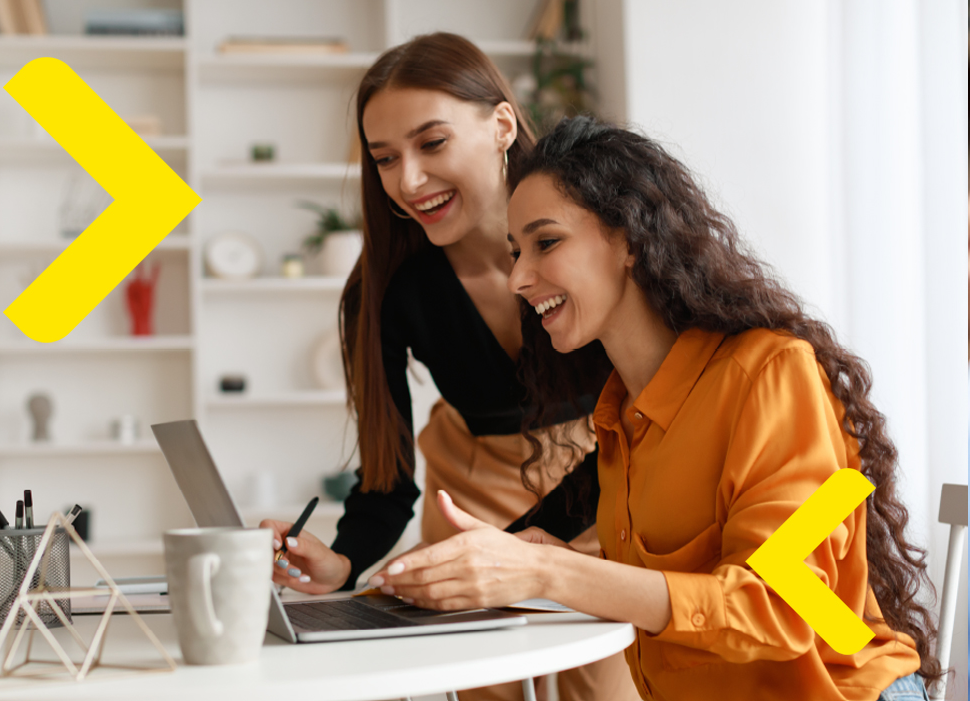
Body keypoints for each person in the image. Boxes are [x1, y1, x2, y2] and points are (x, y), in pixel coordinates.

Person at [375, 116, 942, 701]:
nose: (519, 276)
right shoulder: (620, 419)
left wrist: (553, 572)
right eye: (516, 251)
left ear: (629, 239)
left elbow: (783, 609)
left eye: (546, 243)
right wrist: (535, 557)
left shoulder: (773, 375)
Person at [257, 36, 635, 701]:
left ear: (501, 125)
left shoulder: (602, 236)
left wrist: (517, 552)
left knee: (608, 684)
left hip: (616, 476)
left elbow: (654, 417)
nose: (407, 181)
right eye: (384, 159)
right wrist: (342, 565)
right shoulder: (386, 293)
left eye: (432, 144)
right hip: (476, 496)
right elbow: (387, 479)